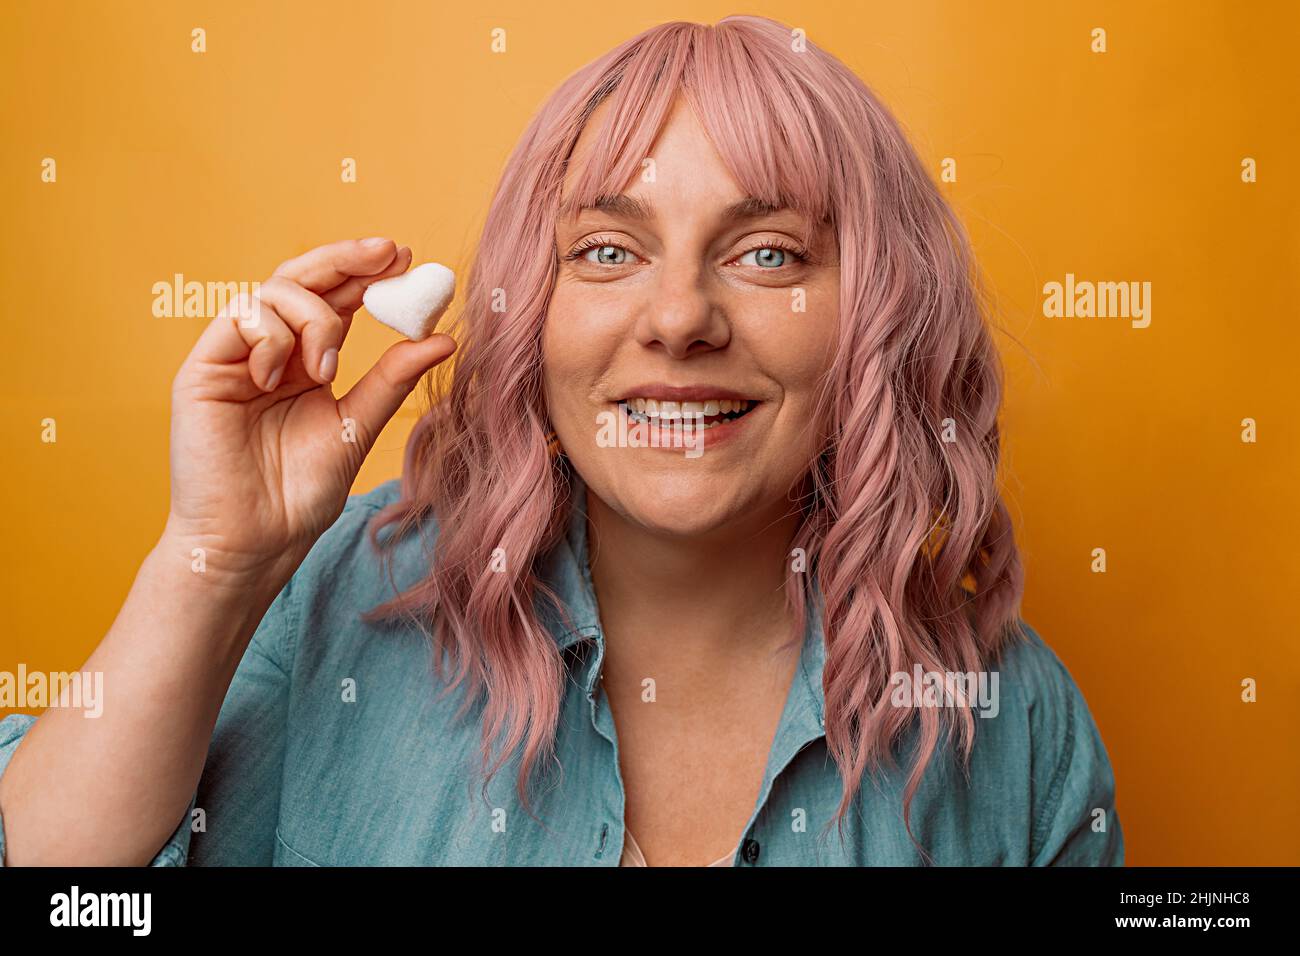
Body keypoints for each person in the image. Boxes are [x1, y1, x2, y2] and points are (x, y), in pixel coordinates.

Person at [0, 14, 1123, 866]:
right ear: (526, 312)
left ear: (879, 312)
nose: (679, 316)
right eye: (605, 251)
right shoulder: (343, 597)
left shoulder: (1009, 723)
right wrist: (216, 563)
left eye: (769, 252)